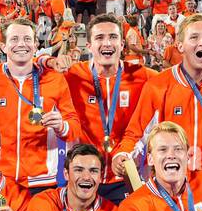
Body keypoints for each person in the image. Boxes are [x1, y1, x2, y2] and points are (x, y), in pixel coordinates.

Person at [112, 14, 202, 177]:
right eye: (194, 37)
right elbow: (135, 134)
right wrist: (122, 155)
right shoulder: (158, 85)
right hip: (167, 184)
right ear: (180, 46)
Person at [0, 18, 79, 190]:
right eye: (14, 39)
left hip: (41, 181)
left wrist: (62, 126)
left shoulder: (55, 79)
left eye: (27, 39)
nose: (21, 44)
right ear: (3, 46)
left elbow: (74, 127)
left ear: (36, 45)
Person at [63, 14, 152, 200]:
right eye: (99, 38)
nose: (107, 43)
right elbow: (33, 71)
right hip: (84, 178)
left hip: (124, 177)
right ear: (88, 46)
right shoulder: (72, 75)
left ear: (122, 44)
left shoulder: (142, 75)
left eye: (113, 37)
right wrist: (47, 60)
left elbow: (178, 77)